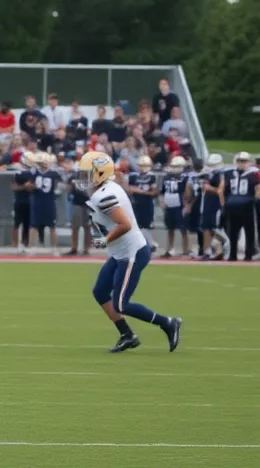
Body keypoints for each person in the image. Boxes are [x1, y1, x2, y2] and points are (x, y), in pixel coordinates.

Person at [77, 150, 182, 353]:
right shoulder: (107, 187)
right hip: (120, 252)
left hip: (131, 253)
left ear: (99, 173)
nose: (83, 177)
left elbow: (124, 224)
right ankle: (127, 335)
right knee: (100, 292)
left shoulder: (104, 194)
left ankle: (168, 323)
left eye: (87, 172)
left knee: (121, 304)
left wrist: (104, 240)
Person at [31, 152, 62, 255]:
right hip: (39, 201)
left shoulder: (53, 173)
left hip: (48, 201)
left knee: (52, 227)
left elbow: (61, 184)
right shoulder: (34, 172)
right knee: (34, 226)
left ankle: (54, 248)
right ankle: (32, 247)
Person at [126, 155, 159, 249]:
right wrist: (144, 191)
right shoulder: (133, 175)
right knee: (137, 225)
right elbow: (131, 189)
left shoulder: (152, 176)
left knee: (147, 225)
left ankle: (149, 244)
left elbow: (153, 191)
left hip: (147, 203)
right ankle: (145, 244)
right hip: (136, 202)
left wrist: (141, 191)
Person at [159, 156, 189, 258]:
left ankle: (185, 249)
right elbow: (162, 192)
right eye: (173, 166)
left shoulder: (185, 177)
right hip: (169, 205)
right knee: (170, 228)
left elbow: (187, 191)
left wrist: (186, 203)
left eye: (177, 166)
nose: (174, 168)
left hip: (179, 205)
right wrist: (161, 202)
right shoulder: (166, 177)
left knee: (183, 228)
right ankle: (169, 249)